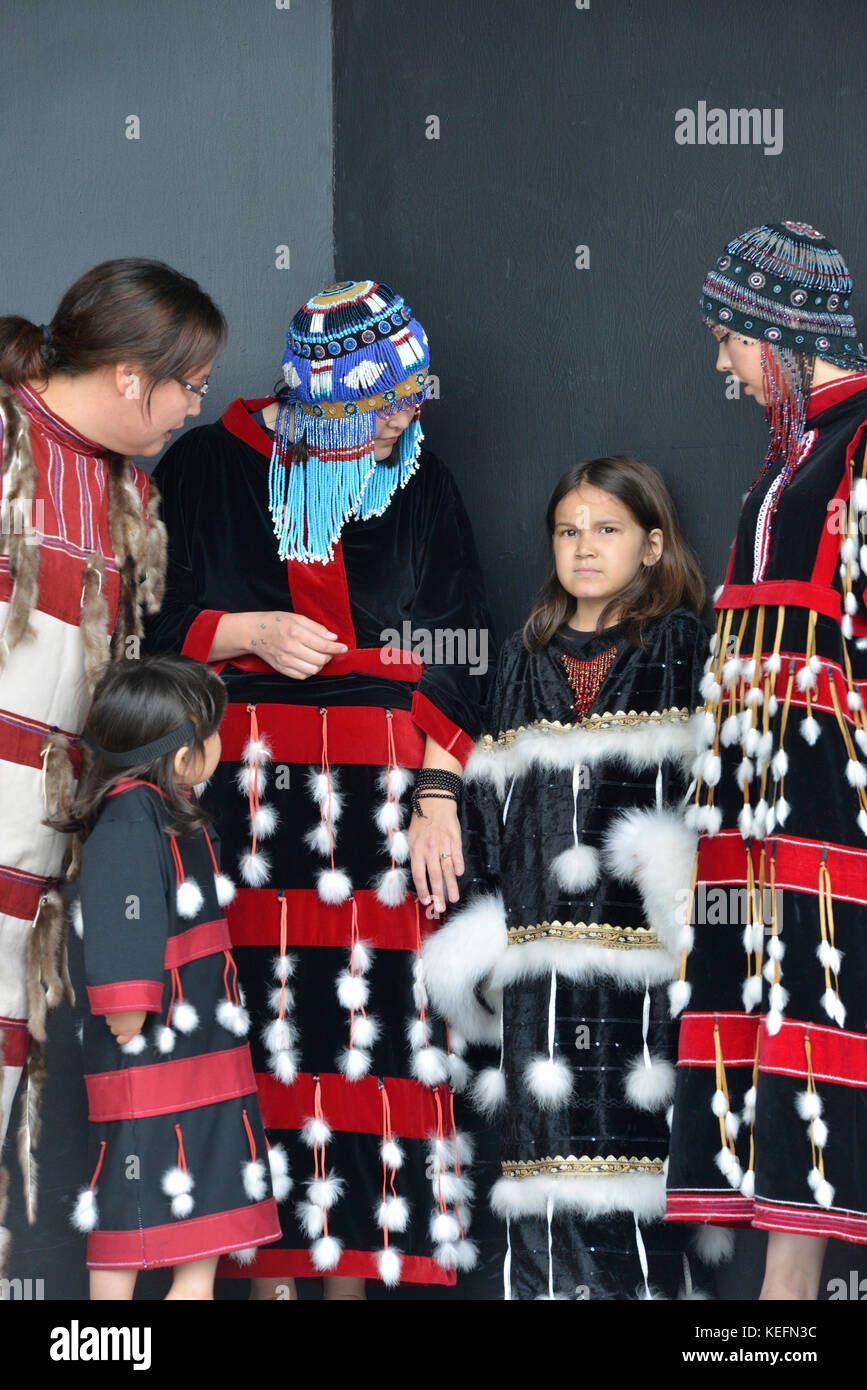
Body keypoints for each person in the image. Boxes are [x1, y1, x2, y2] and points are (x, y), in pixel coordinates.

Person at [144, 279, 492, 1297]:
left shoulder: (421, 480)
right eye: (388, 397)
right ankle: (262, 1278)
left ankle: (354, 1280)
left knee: (373, 1037)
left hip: (384, 802)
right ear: (326, 394)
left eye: (415, 394)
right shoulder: (209, 466)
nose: (409, 415)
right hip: (241, 796)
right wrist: (243, 634)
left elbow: (465, 646)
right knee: (257, 1040)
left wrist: (438, 794)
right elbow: (142, 622)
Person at [422, 456, 718, 1299]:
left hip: (643, 962)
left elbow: (712, 796)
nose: (583, 547)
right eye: (567, 530)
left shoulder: (681, 645)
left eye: (607, 529)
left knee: (639, 1153)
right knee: (541, 1155)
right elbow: (485, 805)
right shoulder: (523, 656)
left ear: (652, 544)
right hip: (538, 961)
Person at [0, 259, 225, 1267]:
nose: (197, 404)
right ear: (136, 376)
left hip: (33, 866)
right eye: (192, 383)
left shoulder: (126, 487)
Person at [664, 222, 867, 1300]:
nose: (722, 366)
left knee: (822, 1032)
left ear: (784, 333)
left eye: (730, 339)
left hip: (832, 810)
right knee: (775, 1040)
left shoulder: (862, 442)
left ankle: (786, 1310)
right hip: (759, 811)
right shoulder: (791, 454)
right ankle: (778, 1309)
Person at [57, 655, 282, 1299]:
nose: (222, 744)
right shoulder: (131, 823)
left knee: (202, 1223)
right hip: (151, 1072)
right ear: (182, 754)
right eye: (210, 732)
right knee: (129, 1220)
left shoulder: (169, 814)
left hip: (202, 1066)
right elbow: (122, 937)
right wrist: (129, 1021)